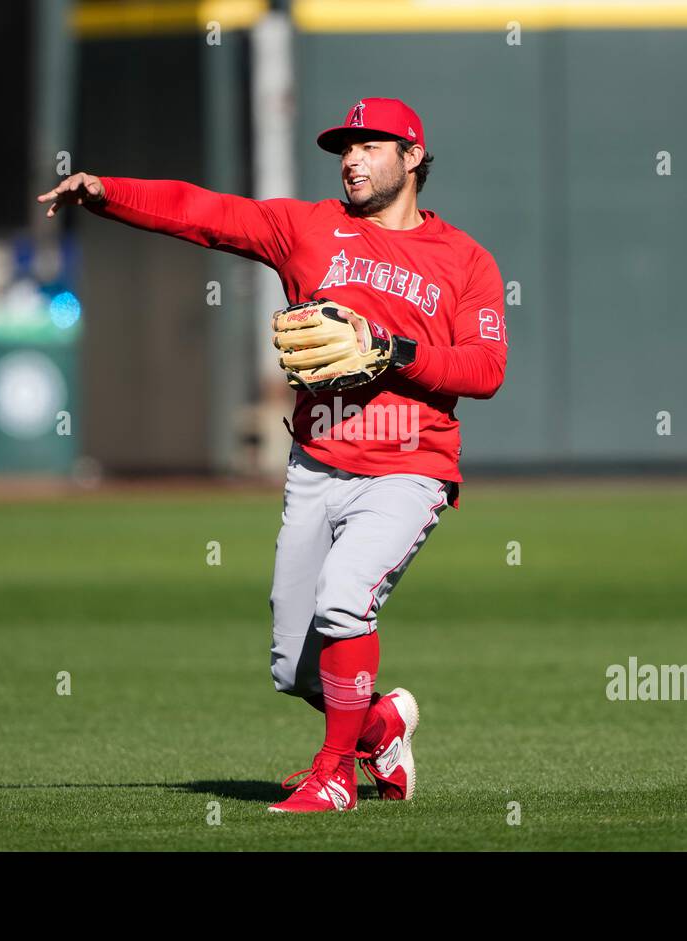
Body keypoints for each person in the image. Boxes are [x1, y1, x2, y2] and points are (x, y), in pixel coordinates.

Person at [38, 97, 508, 813]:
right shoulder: (308, 228)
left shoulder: (466, 261)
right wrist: (109, 193)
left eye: (370, 145)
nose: (351, 158)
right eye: (343, 148)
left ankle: (334, 776)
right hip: (317, 465)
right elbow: (206, 213)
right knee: (295, 666)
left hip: (409, 468)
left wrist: (393, 352)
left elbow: (485, 369)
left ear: (412, 157)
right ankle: (381, 726)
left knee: (346, 597)